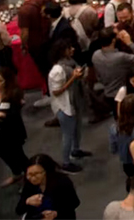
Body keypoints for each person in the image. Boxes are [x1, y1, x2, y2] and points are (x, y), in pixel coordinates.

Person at [47, 40, 88, 172]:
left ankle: (76, 150)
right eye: (69, 48)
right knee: (67, 134)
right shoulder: (57, 71)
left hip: (75, 101)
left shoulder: (71, 63)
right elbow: (56, 91)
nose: (72, 50)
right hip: (64, 106)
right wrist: (73, 78)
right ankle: (65, 162)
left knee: (77, 129)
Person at [0, 67, 28, 186]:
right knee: (3, 154)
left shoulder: (13, 93)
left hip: (12, 132)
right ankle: (16, 173)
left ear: (6, 81)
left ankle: (29, 178)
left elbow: (15, 111)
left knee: (19, 156)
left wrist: (2, 114)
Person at [90, 29, 134, 121]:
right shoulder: (121, 57)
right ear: (113, 40)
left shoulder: (95, 55)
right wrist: (129, 43)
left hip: (108, 94)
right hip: (124, 95)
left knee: (118, 121)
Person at [14, 0, 52, 95]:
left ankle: (50, 92)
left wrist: (24, 46)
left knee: (44, 68)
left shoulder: (24, 11)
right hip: (50, 35)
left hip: (36, 43)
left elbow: (24, 33)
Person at [16, 155, 80, 220]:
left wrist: (56, 213)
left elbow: (74, 203)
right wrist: (27, 201)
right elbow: (19, 210)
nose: (33, 178)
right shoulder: (29, 185)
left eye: (36, 174)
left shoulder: (62, 183)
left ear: (46, 172)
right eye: (29, 174)